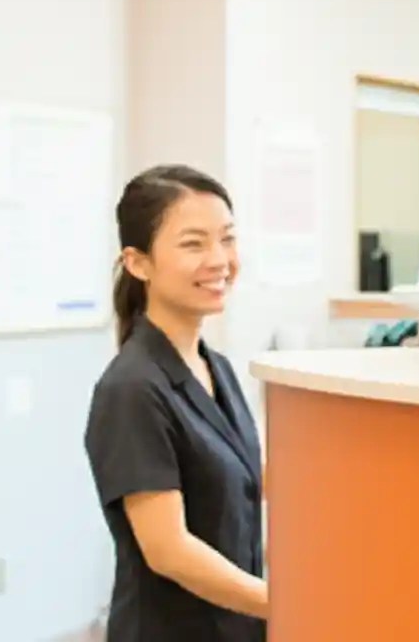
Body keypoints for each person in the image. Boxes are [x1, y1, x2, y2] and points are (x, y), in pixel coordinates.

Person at [85, 164, 268, 641]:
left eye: (227, 239)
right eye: (193, 244)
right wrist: (283, 602)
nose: (220, 259)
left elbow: (243, 482)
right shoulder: (131, 389)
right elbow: (168, 550)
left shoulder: (218, 368)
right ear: (138, 262)